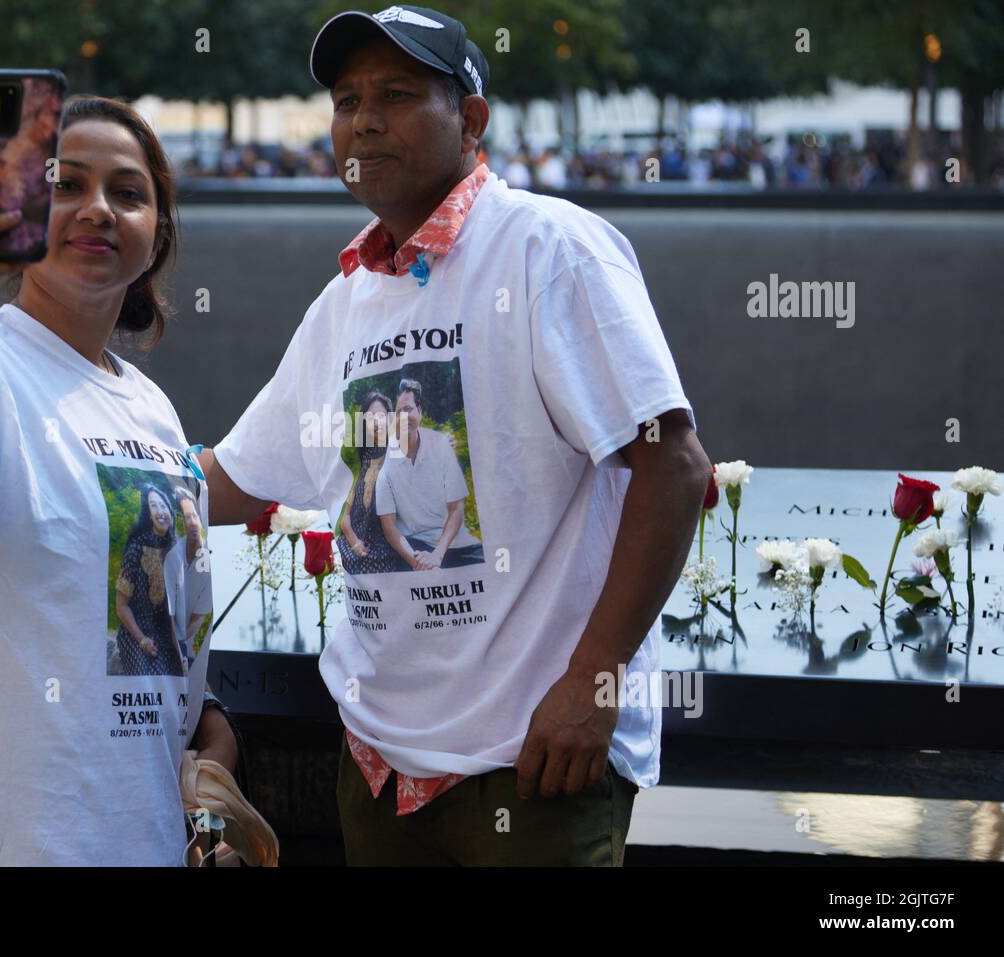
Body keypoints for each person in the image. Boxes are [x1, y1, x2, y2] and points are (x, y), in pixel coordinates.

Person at [201, 5, 710, 866]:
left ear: (471, 120)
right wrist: (94, 472)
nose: (363, 119)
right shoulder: (345, 304)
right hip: (377, 770)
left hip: (532, 763)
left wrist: (596, 680)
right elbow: (239, 477)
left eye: (397, 94)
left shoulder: (549, 250)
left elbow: (674, 468)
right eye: (347, 98)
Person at [0, 95, 235, 866]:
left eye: (129, 192)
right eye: (65, 185)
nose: (98, 209)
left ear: (158, 230)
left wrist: (204, 724)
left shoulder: (154, 411)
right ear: (25, 206)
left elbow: (153, 627)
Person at [374, 378, 481, 570]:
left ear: (420, 411)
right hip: (413, 546)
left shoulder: (441, 446)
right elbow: (389, 528)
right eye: (398, 413)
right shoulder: (385, 466)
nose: (404, 417)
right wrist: (418, 562)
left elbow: (456, 510)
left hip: (455, 542)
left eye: (408, 409)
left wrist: (437, 556)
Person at [112, 485, 183, 677]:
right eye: (154, 506)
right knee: (149, 677)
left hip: (168, 633)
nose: (160, 512)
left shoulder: (177, 549)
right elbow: (121, 606)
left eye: (163, 506)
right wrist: (142, 640)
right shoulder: (135, 548)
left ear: (170, 511)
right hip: (136, 632)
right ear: (149, 514)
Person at [337, 390, 403, 574]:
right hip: (353, 543)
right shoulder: (359, 463)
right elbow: (345, 517)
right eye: (370, 416)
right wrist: (354, 542)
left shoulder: (398, 457)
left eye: (381, 416)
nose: (375, 422)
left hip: (387, 546)